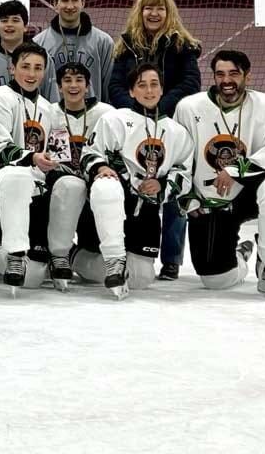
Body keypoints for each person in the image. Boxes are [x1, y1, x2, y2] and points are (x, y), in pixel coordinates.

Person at [174, 50, 265, 297]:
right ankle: (242, 254)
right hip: (211, 199)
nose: (226, 80)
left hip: (250, 191)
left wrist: (235, 170)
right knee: (216, 280)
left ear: (247, 76)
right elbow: (179, 159)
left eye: (234, 73)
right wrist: (187, 200)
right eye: (220, 74)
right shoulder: (189, 108)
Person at [107, 0, 202, 281]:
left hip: (168, 129)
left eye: (160, 8)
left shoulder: (183, 45)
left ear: (169, 12)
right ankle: (129, 248)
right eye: (148, 8)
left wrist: (159, 106)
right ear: (140, 11)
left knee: (173, 190)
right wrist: (135, 111)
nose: (154, 13)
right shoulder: (125, 45)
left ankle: (171, 259)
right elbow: (115, 86)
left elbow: (191, 82)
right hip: (134, 132)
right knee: (131, 187)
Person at [79, 64, 194, 299]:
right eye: (141, 85)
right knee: (106, 183)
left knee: (141, 279)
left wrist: (163, 186)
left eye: (154, 85)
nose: (149, 90)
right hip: (110, 207)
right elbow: (90, 153)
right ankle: (113, 260)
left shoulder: (177, 132)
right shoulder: (114, 119)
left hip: (145, 214)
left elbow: (184, 172)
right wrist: (101, 166)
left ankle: (79, 259)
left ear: (162, 89)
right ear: (131, 91)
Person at [0, 43, 57, 287]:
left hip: (36, 197)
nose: (31, 73)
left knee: (34, 278)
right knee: (16, 175)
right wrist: (33, 158)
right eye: (25, 66)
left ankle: (64, 252)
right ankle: (5, 252)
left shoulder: (48, 109)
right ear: (12, 68)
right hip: (4, 187)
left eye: (38, 68)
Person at [42, 62, 114, 290]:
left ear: (88, 85)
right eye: (67, 81)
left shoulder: (106, 114)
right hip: (59, 186)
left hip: (94, 188)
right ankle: (58, 254)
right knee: (71, 185)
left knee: (99, 272)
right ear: (59, 86)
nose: (73, 86)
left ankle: (73, 254)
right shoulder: (49, 112)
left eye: (79, 80)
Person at [33, 0, 115, 104]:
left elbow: (109, 87)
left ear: (83, 3)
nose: (70, 6)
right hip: (52, 116)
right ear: (55, 4)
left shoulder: (103, 42)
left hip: (93, 117)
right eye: (65, 0)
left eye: (75, 0)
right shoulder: (38, 43)